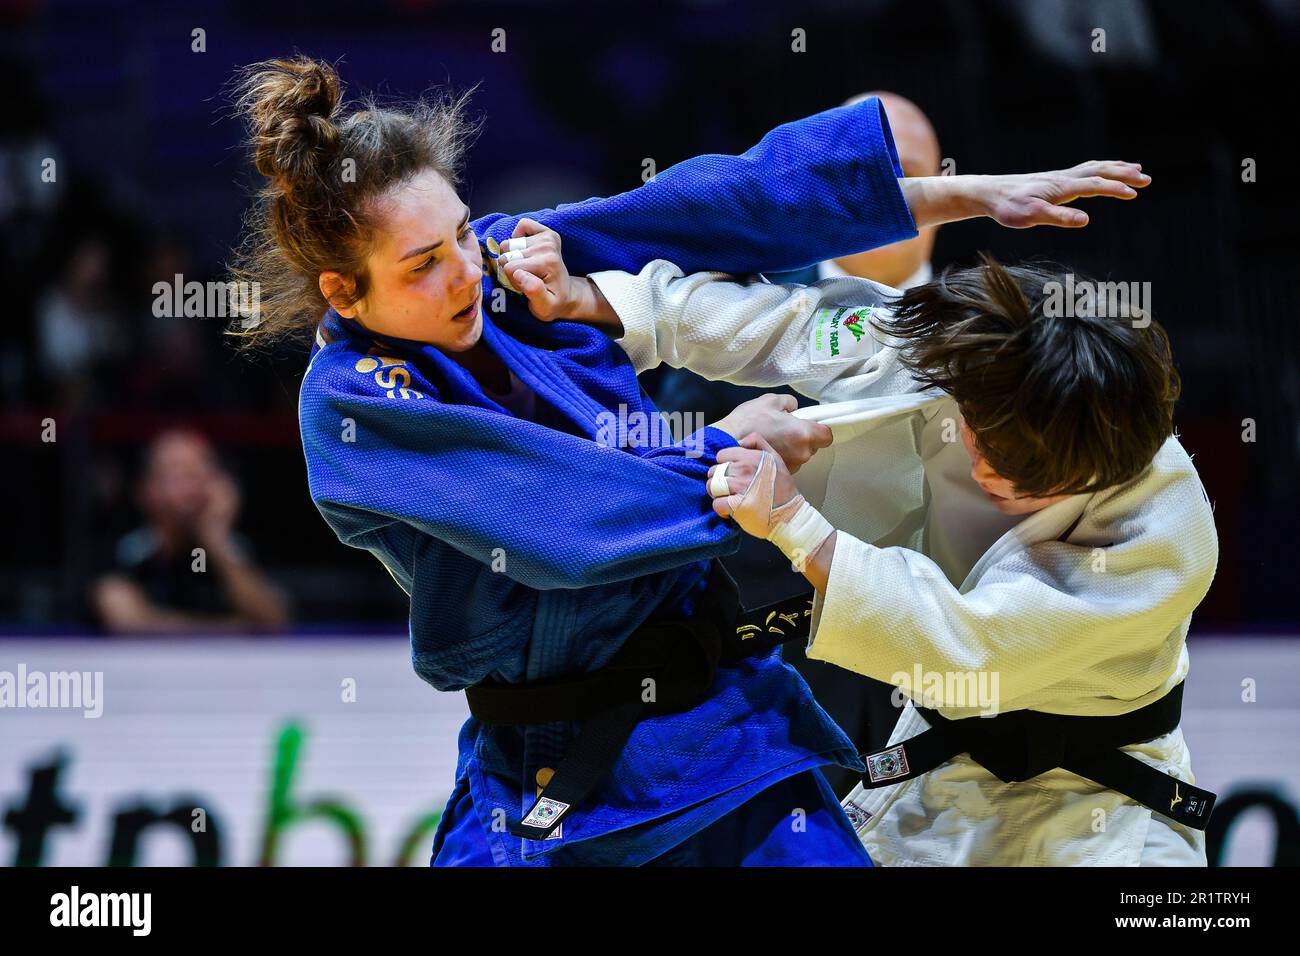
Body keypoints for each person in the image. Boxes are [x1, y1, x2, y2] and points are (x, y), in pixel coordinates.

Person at [229, 54, 1149, 866]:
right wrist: (732, 453)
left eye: (463, 231)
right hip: (553, 770)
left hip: (728, 729)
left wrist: (971, 193)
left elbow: (721, 205)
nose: (466, 269)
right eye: (423, 263)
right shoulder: (354, 406)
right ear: (344, 291)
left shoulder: (513, 266)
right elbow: (566, 518)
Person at [553, 236, 1216, 866]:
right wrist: (600, 299)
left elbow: (965, 643)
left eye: (1023, 480)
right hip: (942, 780)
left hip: (1100, 803)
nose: (986, 476)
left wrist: (794, 523)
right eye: (983, 443)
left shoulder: (1160, 536)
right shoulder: (978, 357)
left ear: (1096, 476)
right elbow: (789, 324)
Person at [93, 429, 291, 634]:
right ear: (148, 490)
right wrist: (233, 629)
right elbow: (129, 622)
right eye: (181, 475)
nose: (194, 487)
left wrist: (215, 540)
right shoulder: (124, 553)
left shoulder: (236, 548)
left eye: (202, 473)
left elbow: (275, 621)